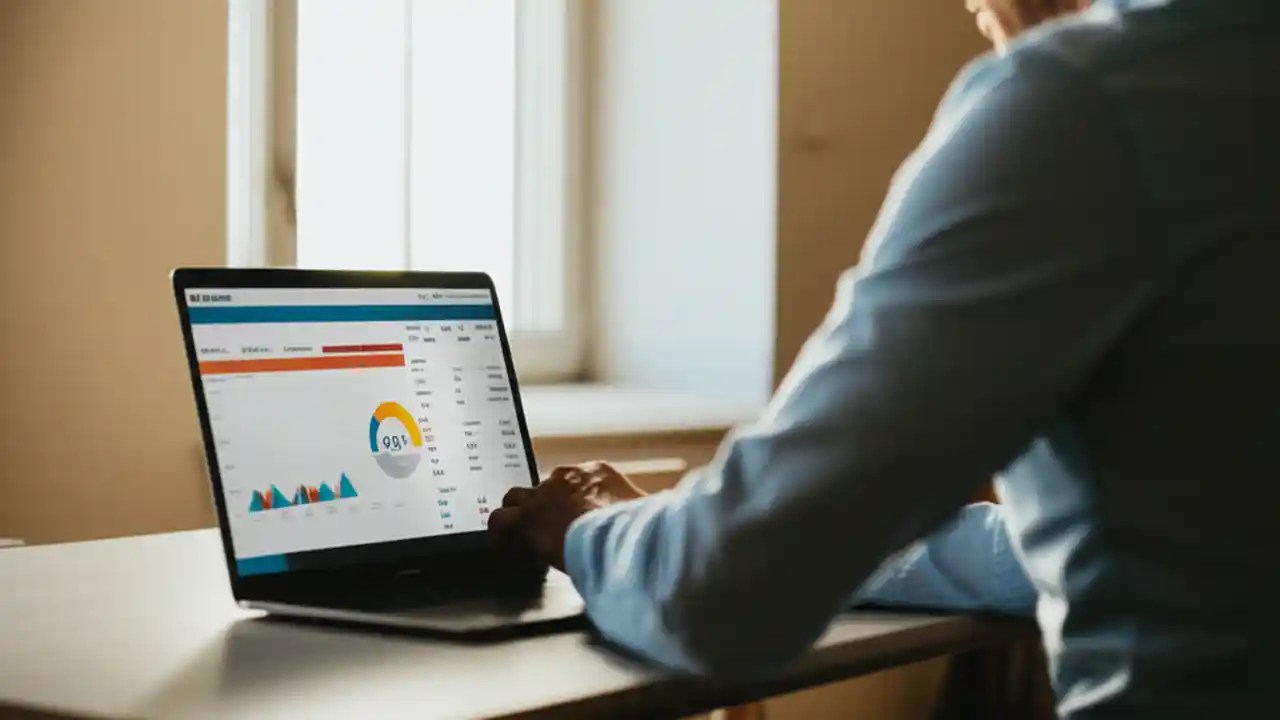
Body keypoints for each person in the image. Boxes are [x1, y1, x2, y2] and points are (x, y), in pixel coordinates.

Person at [490, 0, 1280, 716]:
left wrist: (591, 532)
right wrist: (721, 526)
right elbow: (1041, 555)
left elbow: (722, 600)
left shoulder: (1088, 101)